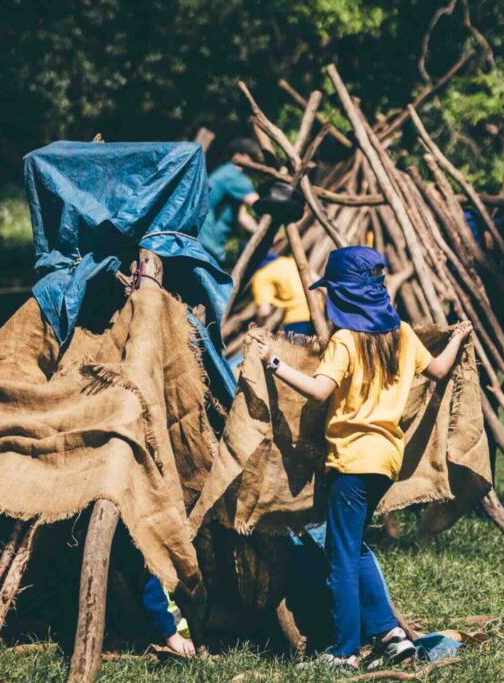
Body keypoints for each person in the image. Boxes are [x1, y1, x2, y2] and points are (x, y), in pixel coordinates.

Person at [249, 246, 474, 669]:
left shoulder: (346, 341)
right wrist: (458, 337)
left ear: (343, 296)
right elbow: (439, 371)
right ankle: (391, 635)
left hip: (352, 461)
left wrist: (272, 360)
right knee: (353, 548)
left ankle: (345, 651)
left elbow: (320, 390)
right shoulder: (402, 334)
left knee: (340, 558)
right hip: (386, 460)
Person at [198, 138, 262, 265]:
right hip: (206, 240)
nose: (254, 163)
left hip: (205, 239)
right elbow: (258, 203)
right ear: (238, 156)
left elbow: (242, 217)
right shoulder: (232, 175)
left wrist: (259, 232)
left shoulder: (225, 171)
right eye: (251, 157)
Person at [251, 251, 314, 335]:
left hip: (296, 318)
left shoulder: (262, 275)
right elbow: (317, 280)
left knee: (295, 344)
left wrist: (256, 325)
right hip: (318, 312)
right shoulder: (290, 262)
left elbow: (264, 310)